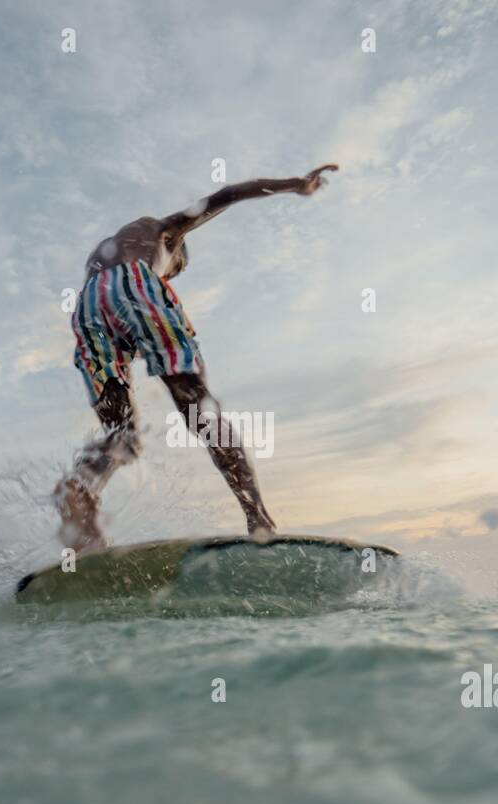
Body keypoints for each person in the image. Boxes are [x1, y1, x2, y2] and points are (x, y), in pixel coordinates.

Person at [54, 164, 339, 553]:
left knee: (122, 435)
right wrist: (297, 185)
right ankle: (258, 519)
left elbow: (115, 308)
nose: (170, 278)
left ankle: (80, 487)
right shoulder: (163, 231)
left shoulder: (105, 252)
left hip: (87, 306)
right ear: (175, 252)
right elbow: (228, 195)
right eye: (174, 272)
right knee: (202, 410)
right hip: (131, 284)